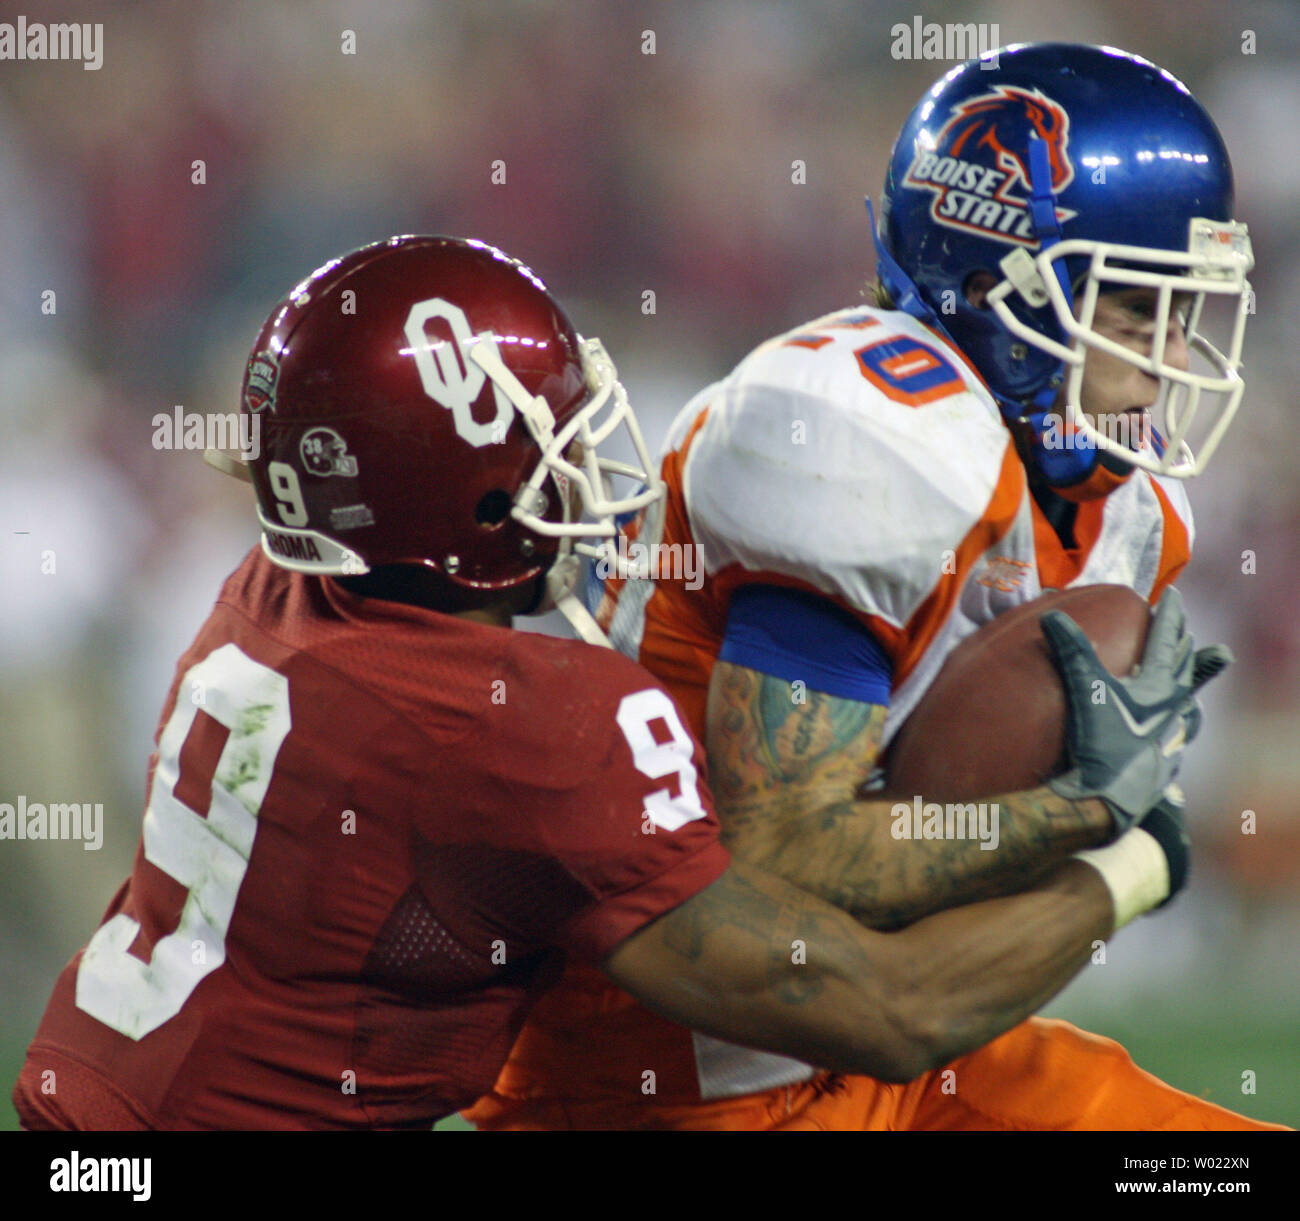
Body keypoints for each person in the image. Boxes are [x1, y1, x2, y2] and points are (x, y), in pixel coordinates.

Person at [11, 235, 1169, 1130]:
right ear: (458, 499)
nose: (588, 470)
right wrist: (1115, 850)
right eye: (556, 442)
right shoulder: (527, 724)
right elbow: (886, 1008)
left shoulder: (273, 587)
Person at [466, 44, 1282, 1130]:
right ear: (1001, 284)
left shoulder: (1124, 506)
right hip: (680, 1068)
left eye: (1184, 312)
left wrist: (1087, 826)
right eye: (1135, 310)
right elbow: (783, 854)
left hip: (884, 1030)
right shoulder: (866, 438)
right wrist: (1088, 819)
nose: (1170, 356)